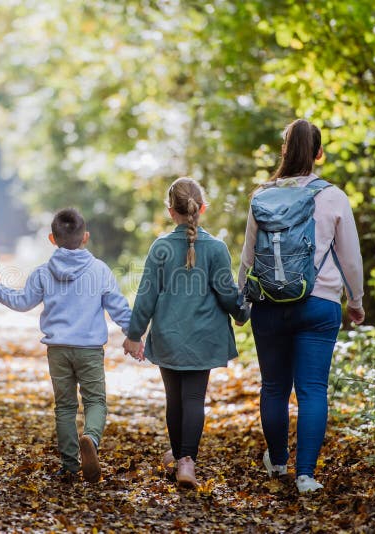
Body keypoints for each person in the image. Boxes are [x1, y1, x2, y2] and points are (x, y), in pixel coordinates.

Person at [237, 119, 365, 493]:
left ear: (284, 150)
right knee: (312, 389)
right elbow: (351, 259)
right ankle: (306, 474)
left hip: (269, 305)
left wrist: (243, 298)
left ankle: (277, 462)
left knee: (274, 387)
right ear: (318, 153)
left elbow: (248, 256)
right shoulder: (333, 196)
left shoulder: (261, 196)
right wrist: (355, 302)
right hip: (319, 304)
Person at [0, 208, 131, 483]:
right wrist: (136, 335)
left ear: (52, 238)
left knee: (64, 407)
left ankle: (70, 466)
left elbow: (21, 302)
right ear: (85, 237)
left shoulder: (43, 272)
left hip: (58, 350)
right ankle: (91, 439)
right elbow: (119, 309)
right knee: (95, 401)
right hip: (89, 350)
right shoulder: (99, 270)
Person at [123, 177, 249, 489]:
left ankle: (179, 457)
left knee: (174, 399)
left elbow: (146, 295)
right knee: (194, 397)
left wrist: (135, 334)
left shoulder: (161, 247)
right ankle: (186, 462)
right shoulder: (217, 248)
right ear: (202, 208)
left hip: (169, 335)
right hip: (204, 338)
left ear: (170, 211)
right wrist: (242, 313)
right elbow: (227, 292)